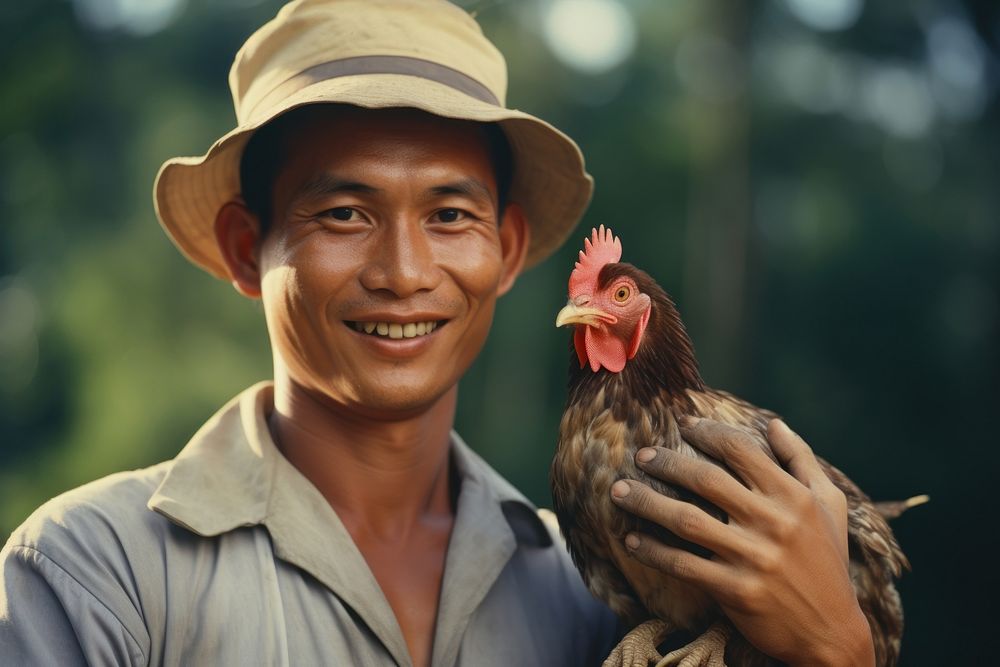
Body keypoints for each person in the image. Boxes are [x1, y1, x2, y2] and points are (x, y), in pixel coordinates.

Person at [0, 1, 875, 665]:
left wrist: (836, 649)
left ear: (508, 249)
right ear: (243, 246)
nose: (404, 270)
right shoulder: (92, 575)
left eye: (450, 214)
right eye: (344, 212)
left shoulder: (600, 593)